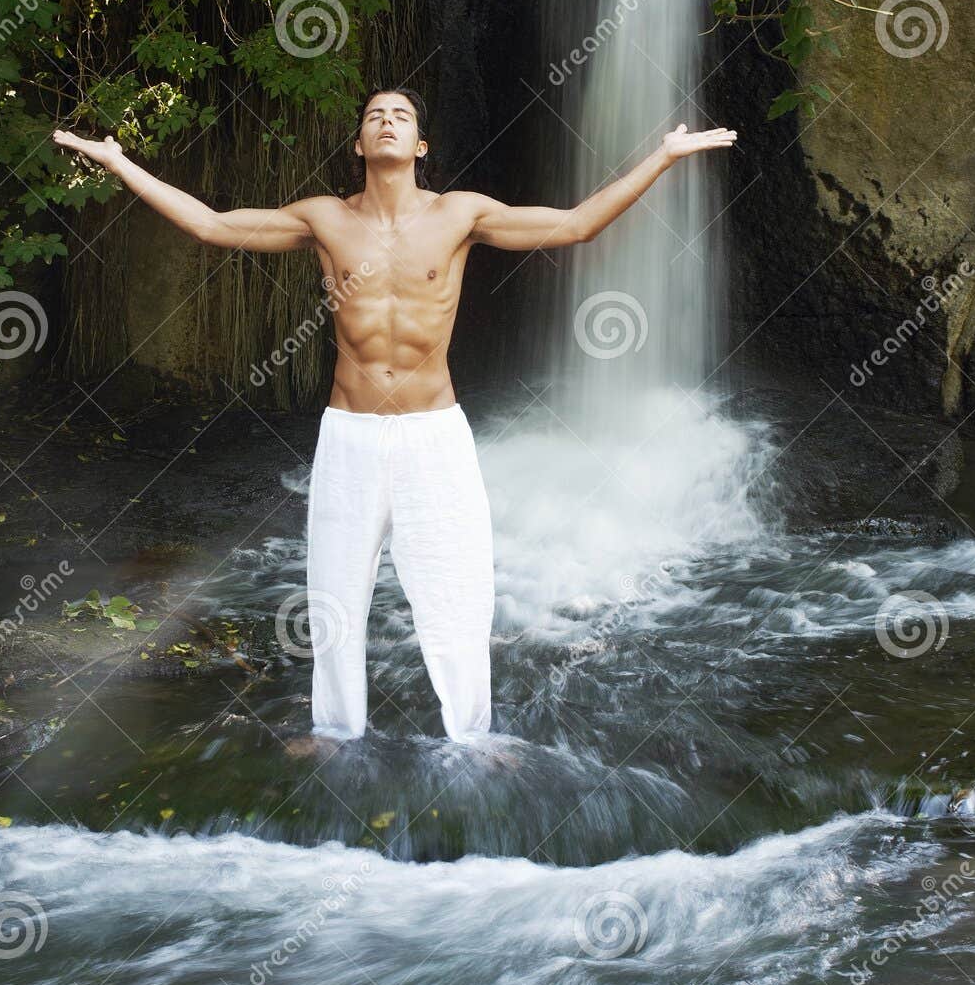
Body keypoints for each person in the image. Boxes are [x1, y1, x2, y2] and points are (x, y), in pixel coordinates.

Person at [54, 90, 735, 742]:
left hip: (433, 432)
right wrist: (118, 163)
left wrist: (663, 157)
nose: (386, 122)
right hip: (349, 431)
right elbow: (211, 225)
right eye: (374, 116)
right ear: (358, 142)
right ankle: (335, 733)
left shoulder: (459, 214)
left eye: (400, 115)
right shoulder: (324, 217)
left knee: (459, 590)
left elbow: (574, 225)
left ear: (419, 143)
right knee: (333, 591)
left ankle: (468, 738)